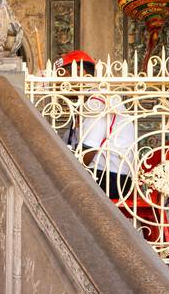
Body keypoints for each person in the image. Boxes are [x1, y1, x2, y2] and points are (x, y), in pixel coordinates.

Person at [54, 50, 136, 202]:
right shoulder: (85, 101)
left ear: (79, 72)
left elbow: (88, 151)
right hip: (98, 172)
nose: (59, 86)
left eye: (61, 77)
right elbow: (67, 144)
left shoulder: (97, 99)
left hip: (111, 177)